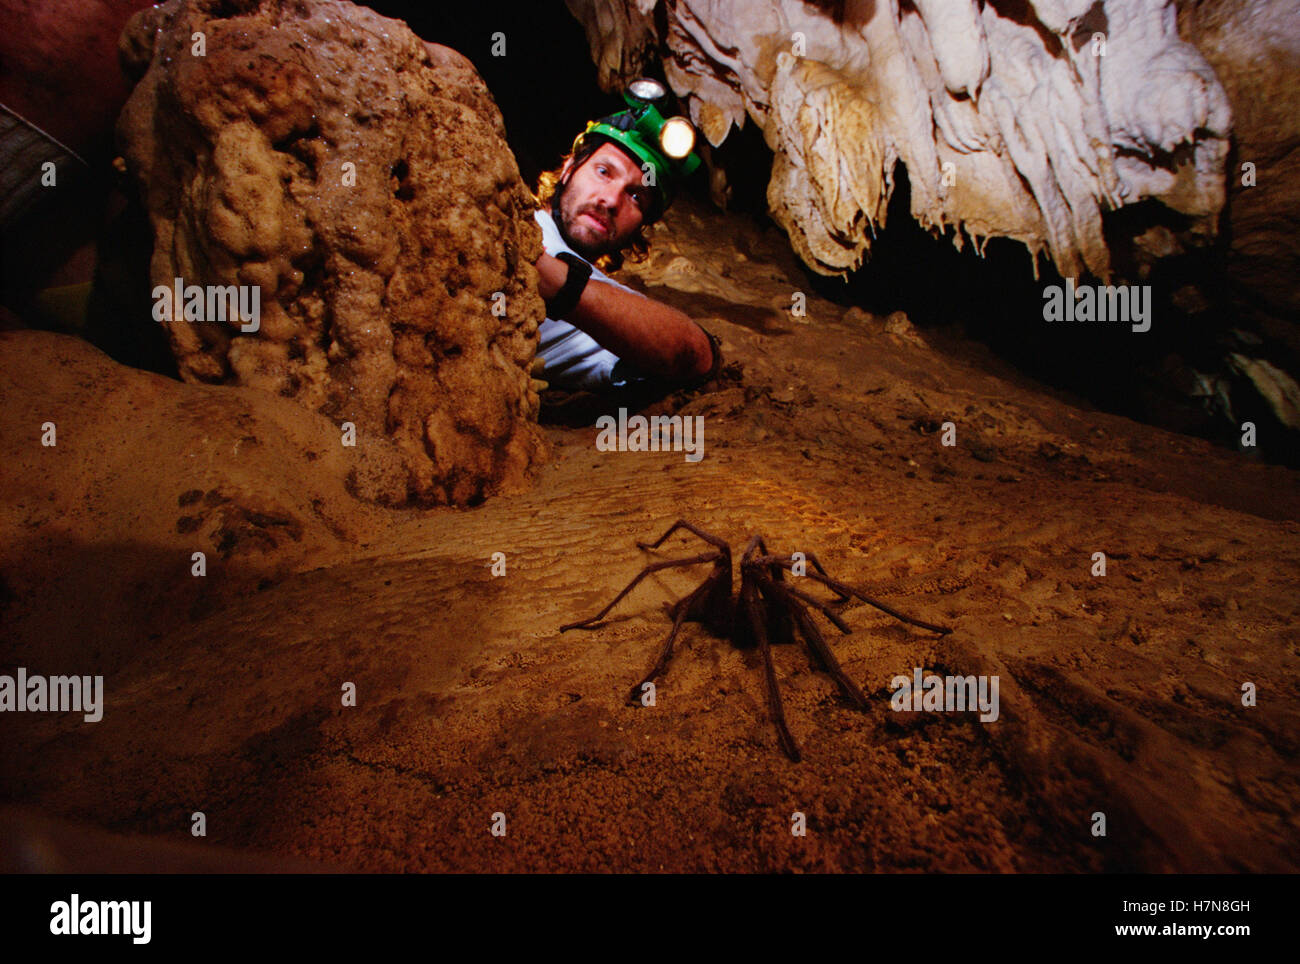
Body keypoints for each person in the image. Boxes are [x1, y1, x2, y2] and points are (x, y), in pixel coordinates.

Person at [531, 80, 721, 392]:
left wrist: (557, 282)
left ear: (643, 224)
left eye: (636, 197)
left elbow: (696, 354)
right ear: (568, 168)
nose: (610, 201)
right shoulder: (506, 218)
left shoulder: (600, 310)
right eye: (604, 172)